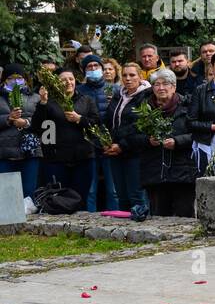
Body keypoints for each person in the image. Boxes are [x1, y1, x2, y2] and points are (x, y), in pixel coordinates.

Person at [132, 69, 197, 217]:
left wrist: (177, 141)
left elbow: (199, 134)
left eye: (166, 84)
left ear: (174, 87)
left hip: (182, 173)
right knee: (159, 216)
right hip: (155, 172)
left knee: (184, 216)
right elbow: (131, 136)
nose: (161, 88)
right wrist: (147, 140)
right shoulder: (143, 109)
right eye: (156, 84)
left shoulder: (188, 106)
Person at [32, 68, 98, 209]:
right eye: (63, 80)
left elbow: (97, 123)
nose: (68, 82)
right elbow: (38, 127)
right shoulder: (49, 102)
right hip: (57, 159)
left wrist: (79, 119)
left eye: (71, 79)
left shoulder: (86, 100)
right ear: (56, 83)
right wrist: (43, 103)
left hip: (83, 157)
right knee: (59, 198)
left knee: (81, 198)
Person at [103, 62, 152, 210]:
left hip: (135, 152)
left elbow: (141, 127)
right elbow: (108, 120)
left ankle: (141, 230)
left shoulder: (147, 96)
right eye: (124, 75)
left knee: (136, 195)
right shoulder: (119, 94)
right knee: (121, 195)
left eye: (132, 75)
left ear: (140, 76)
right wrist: (106, 141)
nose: (128, 78)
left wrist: (122, 145)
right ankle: (122, 231)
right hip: (115, 152)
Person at [76, 54, 117, 210]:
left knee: (112, 187)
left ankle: (116, 215)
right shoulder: (79, 91)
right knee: (90, 187)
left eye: (96, 66)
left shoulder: (114, 89)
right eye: (89, 67)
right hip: (88, 144)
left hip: (109, 142)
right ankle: (89, 218)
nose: (93, 69)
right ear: (84, 70)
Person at [0, 65, 42, 198]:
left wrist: (26, 122)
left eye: (19, 78)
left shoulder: (35, 97)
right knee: (8, 195)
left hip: (30, 152)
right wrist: (8, 119)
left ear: (25, 79)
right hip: (4, 152)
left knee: (29, 193)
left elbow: (42, 119)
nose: (15, 81)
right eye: (10, 78)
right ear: (4, 80)